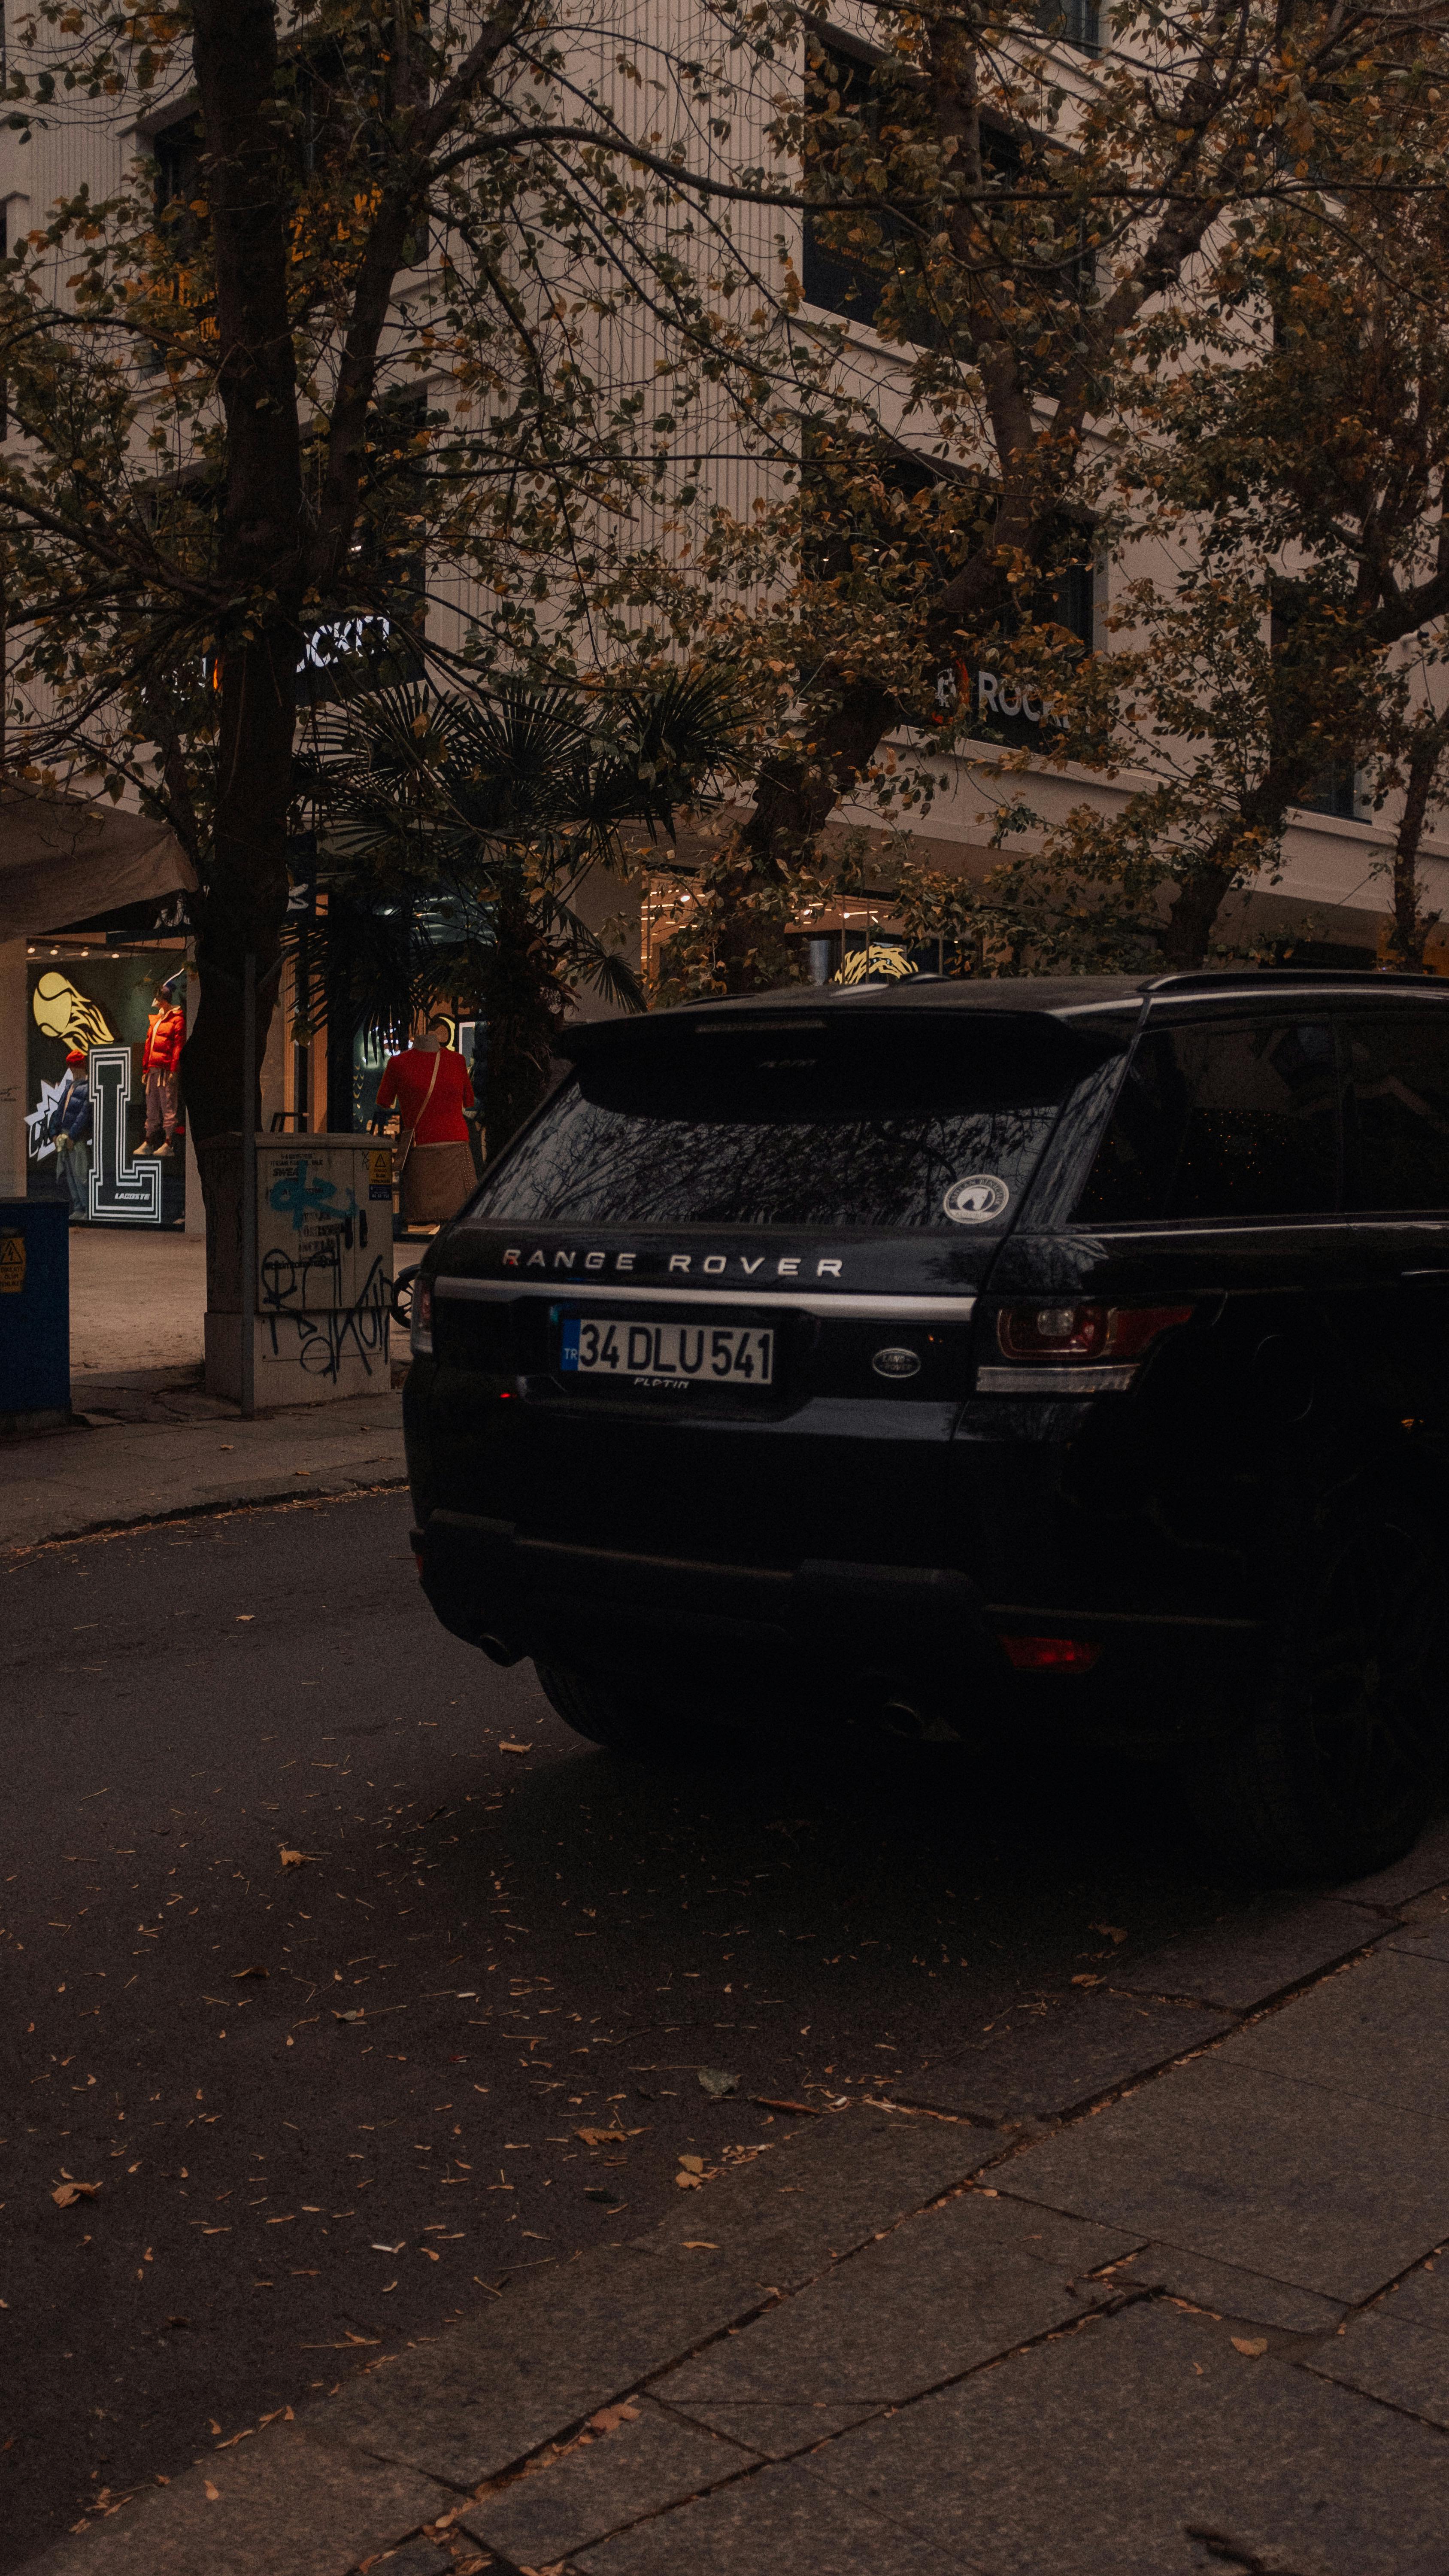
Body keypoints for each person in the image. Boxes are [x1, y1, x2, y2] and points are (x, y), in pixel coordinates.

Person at [374, 1016, 478, 1227]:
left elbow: (384, 1102)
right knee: (456, 1215)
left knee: (435, 1218)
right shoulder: (455, 1062)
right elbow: (469, 1102)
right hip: (439, 1148)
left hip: (430, 1147)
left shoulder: (400, 1064)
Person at [136, 978, 186, 1157]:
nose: (155, 1001)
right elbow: (148, 1046)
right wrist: (145, 1069)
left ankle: (169, 1142)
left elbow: (178, 1046)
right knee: (152, 1107)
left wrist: (174, 1069)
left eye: (158, 998)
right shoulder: (157, 1020)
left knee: (168, 1106)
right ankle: (149, 1141)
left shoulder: (176, 1020)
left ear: (163, 999)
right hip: (154, 1069)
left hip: (165, 1070)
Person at [46, 1048, 92, 1222]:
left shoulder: (88, 1088)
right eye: (72, 1069)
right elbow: (60, 1111)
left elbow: (84, 1114)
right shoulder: (70, 1087)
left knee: (80, 1172)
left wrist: (73, 1136)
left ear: (82, 1067)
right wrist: (54, 1132)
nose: (73, 1072)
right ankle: (79, 1206)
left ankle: (87, 1207)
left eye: (76, 1069)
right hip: (65, 1134)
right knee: (71, 1174)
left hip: (76, 1136)